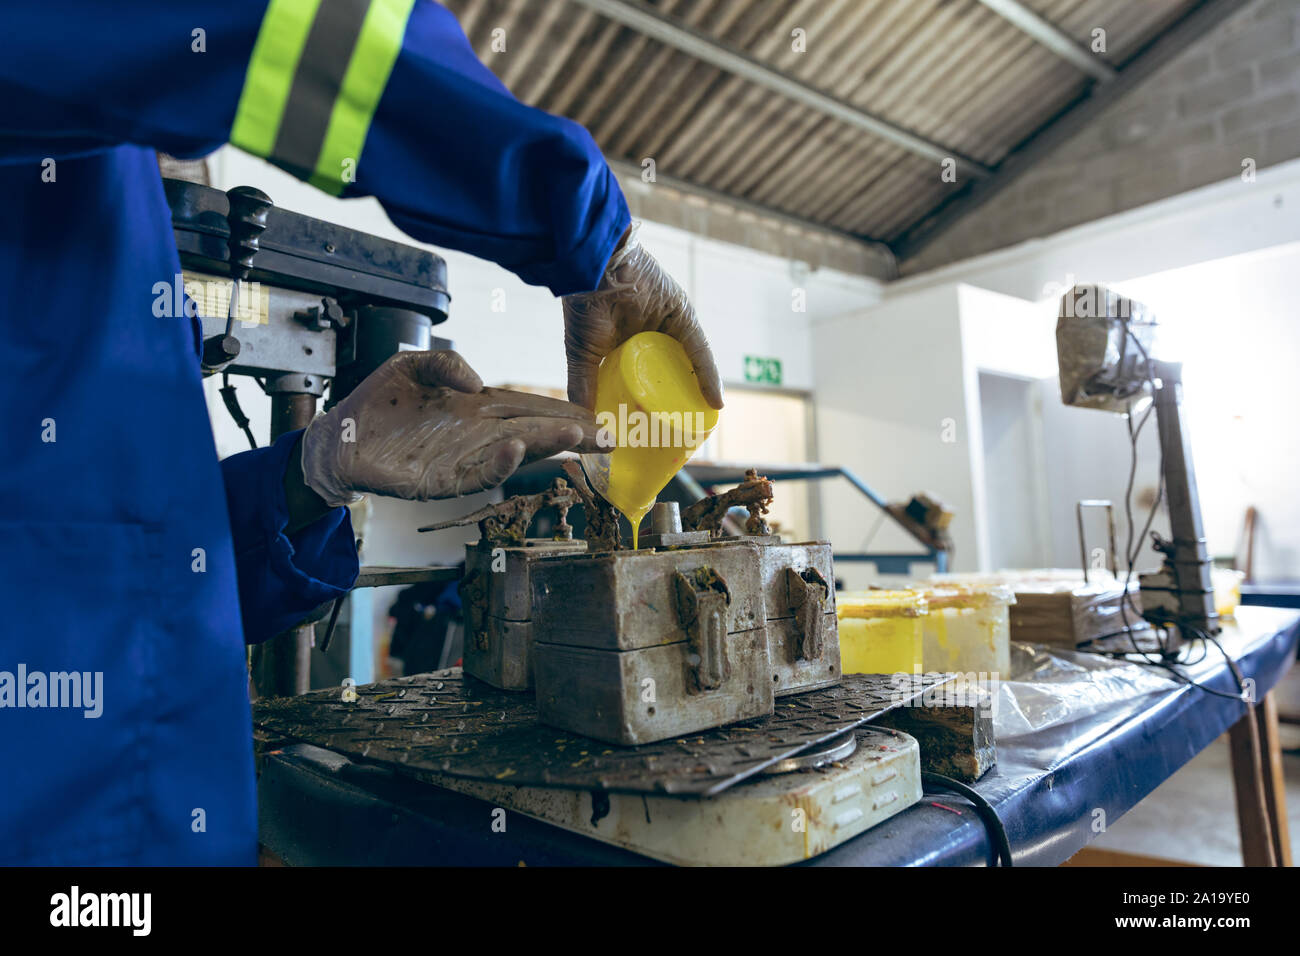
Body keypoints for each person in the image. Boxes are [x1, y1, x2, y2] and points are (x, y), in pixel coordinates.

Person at [0, 0, 722, 865]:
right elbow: (309, 29)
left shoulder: (86, 193)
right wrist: (595, 238)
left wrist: (314, 471)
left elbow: (106, 558)